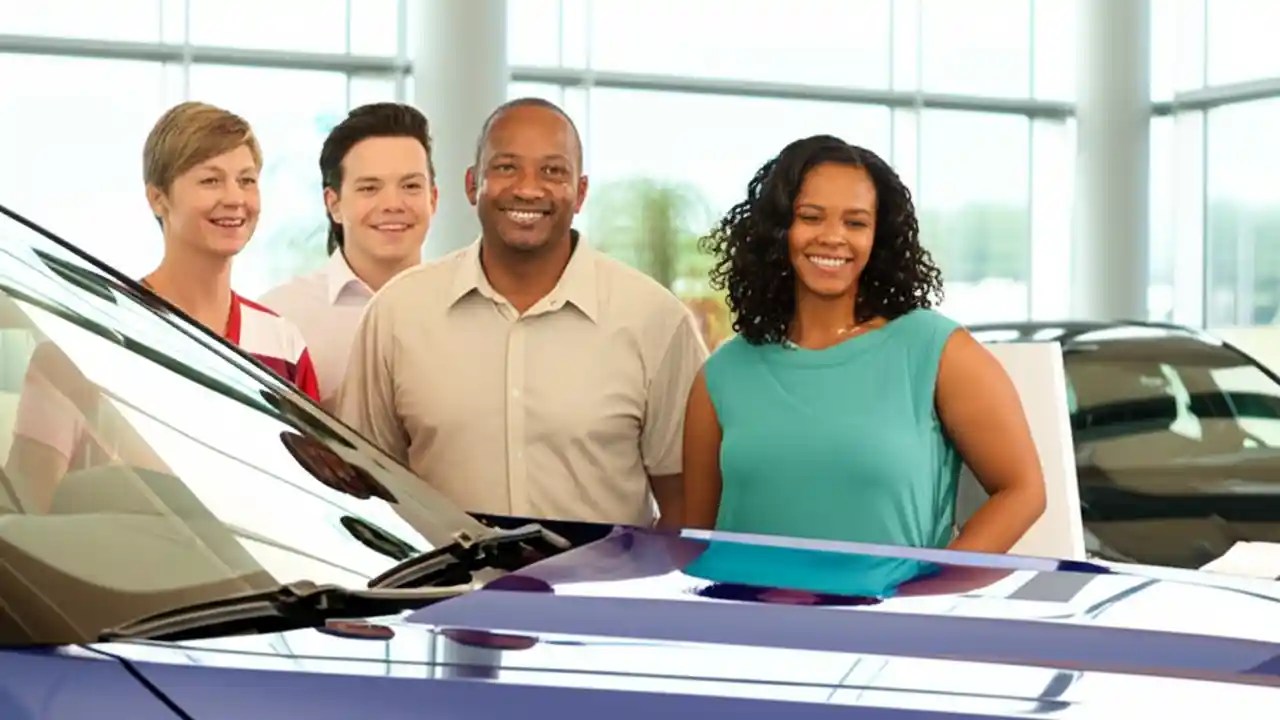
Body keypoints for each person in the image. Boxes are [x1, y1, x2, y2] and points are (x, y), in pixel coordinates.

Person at [335, 97, 707, 529]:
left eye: (553, 171)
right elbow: (364, 488)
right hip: (442, 596)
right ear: (473, 183)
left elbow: (685, 506)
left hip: (596, 596)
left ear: (581, 192)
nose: (529, 188)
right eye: (506, 167)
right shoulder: (398, 313)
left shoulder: (653, 320)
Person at [682, 134, 1045, 554]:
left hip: (889, 617)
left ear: (879, 237)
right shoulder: (723, 373)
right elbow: (696, 539)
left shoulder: (935, 350)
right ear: (778, 229)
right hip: (746, 613)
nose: (833, 237)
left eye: (855, 223)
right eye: (811, 217)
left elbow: (1023, 490)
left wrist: (935, 586)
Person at [5, 101, 319, 512]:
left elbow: (311, 498)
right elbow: (25, 509)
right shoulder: (90, 340)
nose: (235, 198)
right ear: (158, 199)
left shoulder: (283, 343)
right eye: (210, 180)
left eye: (247, 180)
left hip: (261, 574)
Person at [260, 102, 438, 408]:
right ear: (334, 204)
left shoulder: (467, 312)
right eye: (370, 188)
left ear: (433, 198)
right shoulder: (279, 319)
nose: (393, 204)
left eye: (410, 186)